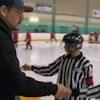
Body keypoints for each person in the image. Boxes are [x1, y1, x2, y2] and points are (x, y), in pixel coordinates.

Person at [0, 0, 72, 100]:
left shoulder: (5, 37)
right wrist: (53, 89)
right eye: (18, 12)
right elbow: (17, 83)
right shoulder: (3, 41)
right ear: (4, 11)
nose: (22, 18)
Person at [21, 32, 96, 100]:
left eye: (67, 44)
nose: (65, 47)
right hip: (61, 97)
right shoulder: (63, 59)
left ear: (76, 45)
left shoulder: (86, 64)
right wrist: (32, 67)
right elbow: (50, 70)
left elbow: (89, 85)